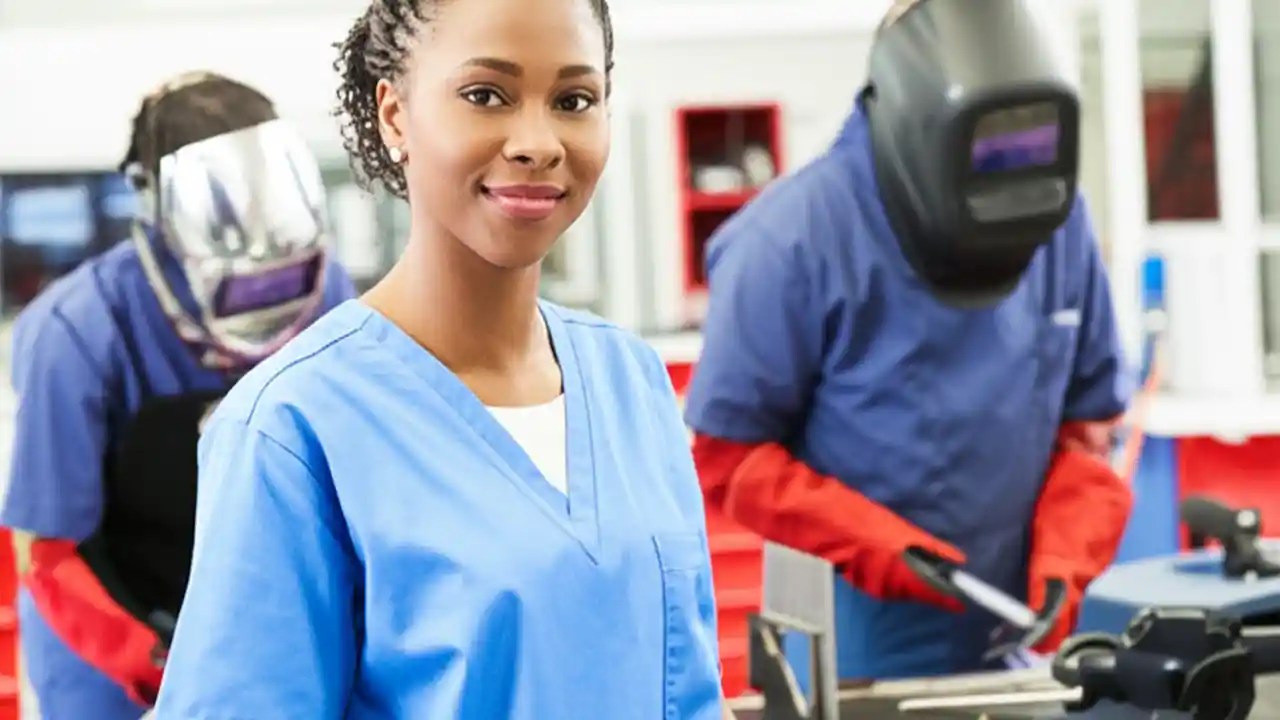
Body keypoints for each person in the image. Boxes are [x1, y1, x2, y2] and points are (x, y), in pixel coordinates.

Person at [154, 1, 734, 718]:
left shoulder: (630, 380)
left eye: (574, 100)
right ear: (395, 116)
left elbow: (690, 686)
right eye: (486, 95)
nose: (538, 141)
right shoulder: (292, 426)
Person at [684, 0, 1136, 681]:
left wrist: (1069, 551)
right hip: (860, 646)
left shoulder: (1054, 213)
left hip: (1023, 633)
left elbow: (1090, 425)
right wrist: (876, 546)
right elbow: (730, 459)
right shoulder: (788, 241)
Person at [1, 71, 357, 720]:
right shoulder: (75, 332)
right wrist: (171, 665)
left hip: (263, 621)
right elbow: (47, 550)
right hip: (113, 648)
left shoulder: (327, 289)